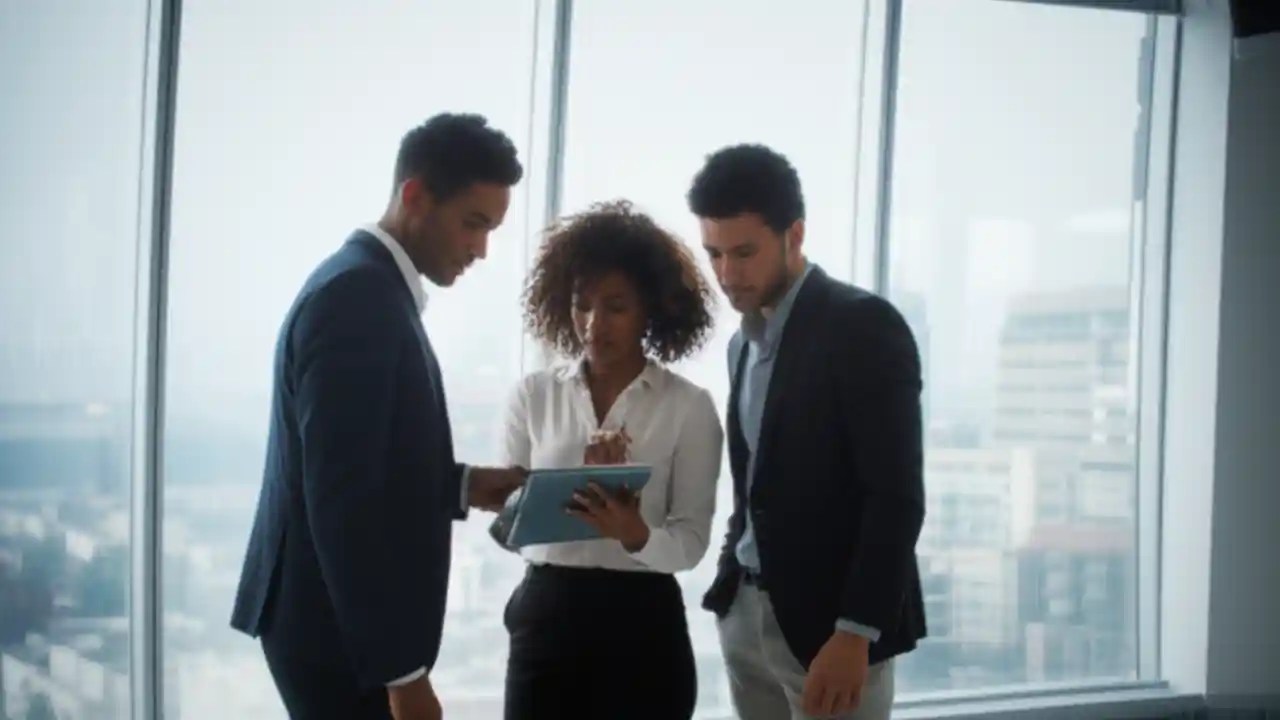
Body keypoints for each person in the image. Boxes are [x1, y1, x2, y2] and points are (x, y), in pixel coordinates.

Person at [229, 113, 529, 720]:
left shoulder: (366, 287)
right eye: (473, 224)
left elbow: (367, 464)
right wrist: (402, 672)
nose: (481, 249)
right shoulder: (357, 300)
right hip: (338, 640)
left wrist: (464, 485)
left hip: (333, 628)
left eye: (492, 229)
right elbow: (342, 501)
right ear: (415, 196)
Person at [691, 144, 926, 720]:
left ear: (794, 235)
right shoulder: (741, 345)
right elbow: (755, 485)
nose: (727, 274)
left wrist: (855, 633)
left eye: (744, 252)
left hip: (833, 631)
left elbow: (895, 497)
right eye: (713, 254)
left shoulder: (863, 326)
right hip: (746, 613)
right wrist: (731, 588)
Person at [498, 201, 724, 720]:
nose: (593, 324)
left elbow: (690, 545)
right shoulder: (533, 396)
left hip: (642, 622)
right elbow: (507, 526)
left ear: (652, 308)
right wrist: (574, 483)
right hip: (546, 615)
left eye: (616, 306)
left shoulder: (688, 407)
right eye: (582, 305)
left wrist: (633, 532)